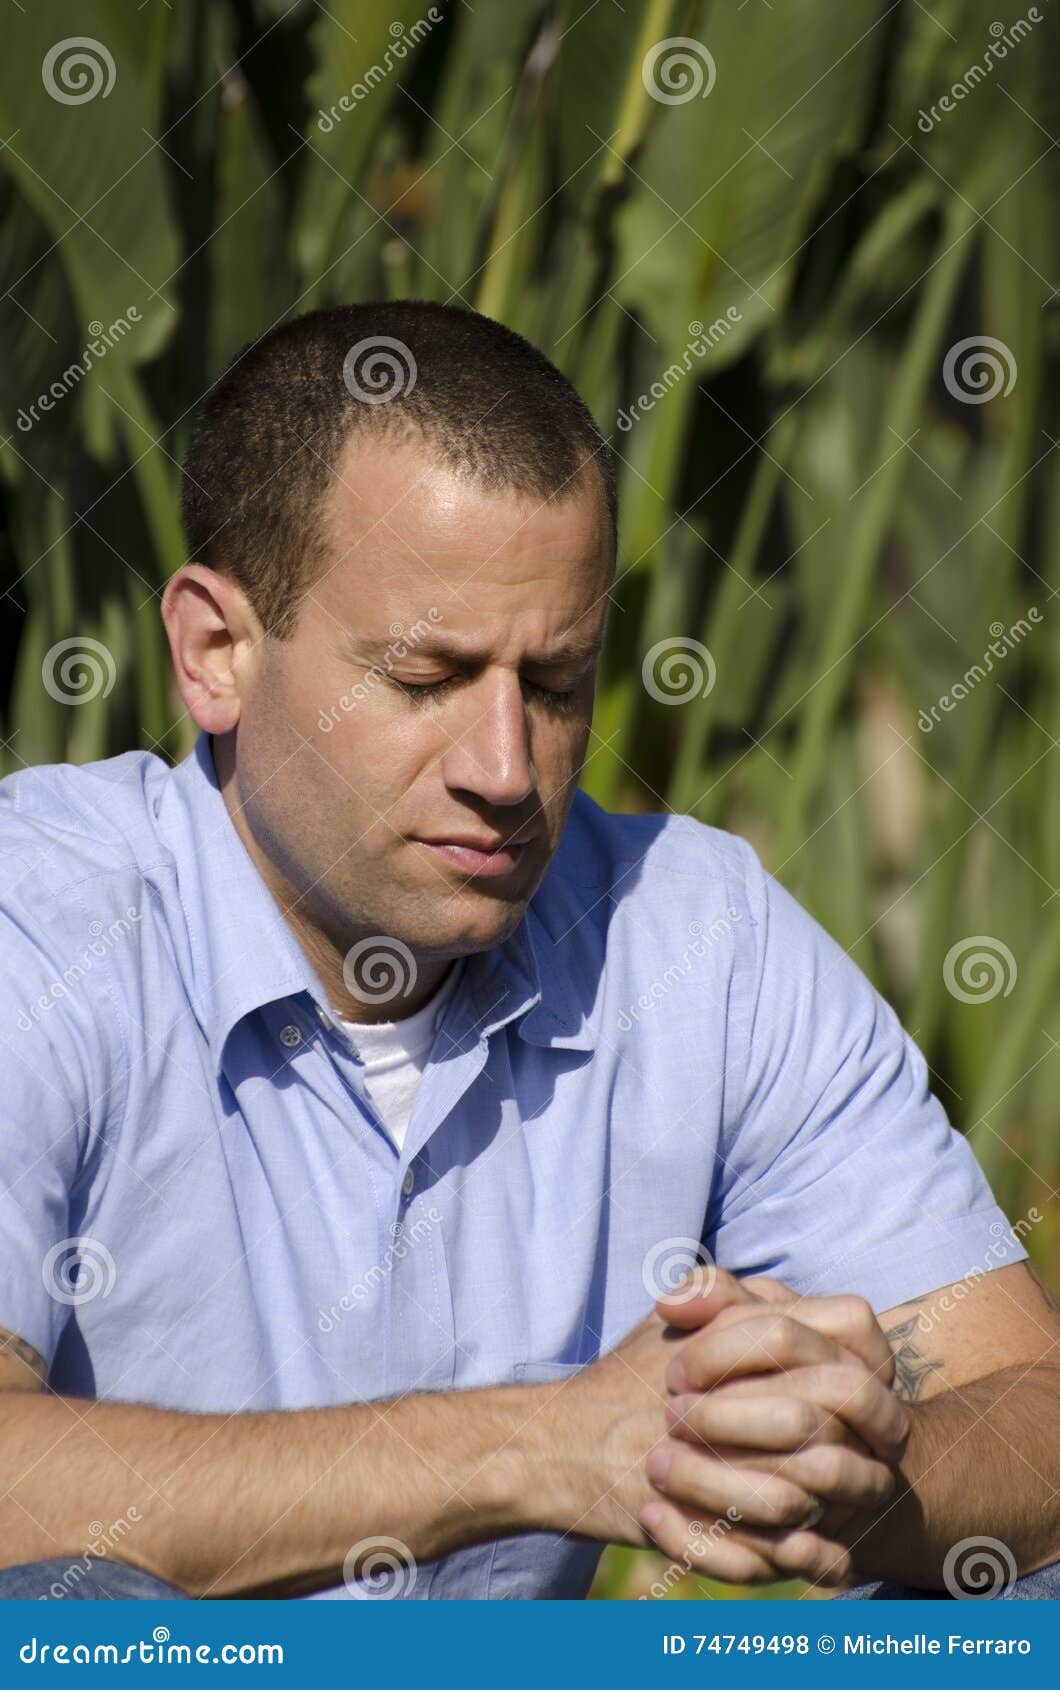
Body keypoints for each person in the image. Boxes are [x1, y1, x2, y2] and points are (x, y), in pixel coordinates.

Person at [0, 302, 1056, 1602]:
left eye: (555, 686)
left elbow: (1033, 1411)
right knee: (62, 1606)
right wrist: (538, 1446)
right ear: (215, 651)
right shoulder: (36, 925)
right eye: (428, 677)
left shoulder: (696, 932)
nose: (506, 771)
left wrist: (852, 1461)